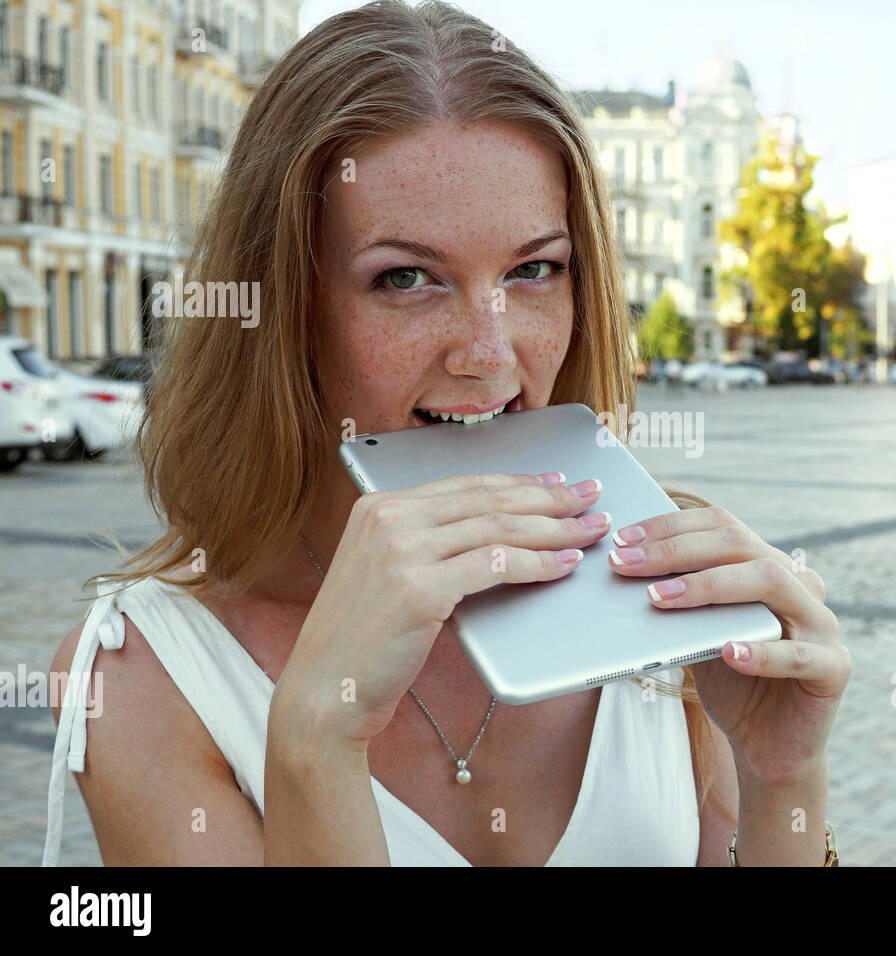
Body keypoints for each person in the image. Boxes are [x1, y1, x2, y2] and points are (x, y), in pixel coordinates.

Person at [42, 0, 849, 867]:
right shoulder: (140, 672)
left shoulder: (663, 584)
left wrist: (784, 785)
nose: (491, 358)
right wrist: (315, 738)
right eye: (406, 279)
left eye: (534, 269)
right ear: (285, 309)